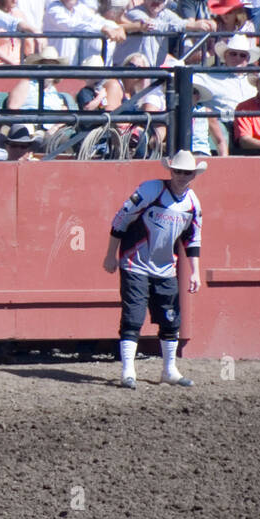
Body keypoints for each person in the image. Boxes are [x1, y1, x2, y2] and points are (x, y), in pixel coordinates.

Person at [103, 151, 204, 390]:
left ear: (193, 175)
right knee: (133, 318)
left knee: (170, 320)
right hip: (134, 263)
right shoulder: (151, 190)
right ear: (170, 171)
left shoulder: (192, 203)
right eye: (177, 171)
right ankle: (128, 371)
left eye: (186, 172)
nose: (181, 176)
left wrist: (195, 271)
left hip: (165, 269)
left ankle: (169, 370)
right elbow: (121, 219)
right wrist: (111, 255)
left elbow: (193, 238)